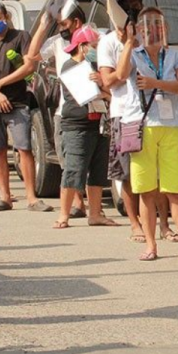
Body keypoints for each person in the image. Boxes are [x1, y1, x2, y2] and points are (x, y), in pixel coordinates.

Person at [117, 7, 178, 261]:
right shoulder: (134, 55)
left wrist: (155, 83)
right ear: (138, 30)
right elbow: (118, 74)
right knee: (146, 189)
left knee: (175, 189)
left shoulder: (174, 55)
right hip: (141, 125)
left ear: (165, 29)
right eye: (146, 26)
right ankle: (150, 245)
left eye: (158, 25)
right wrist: (128, 42)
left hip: (170, 126)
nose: (153, 31)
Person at [98, 0, 174, 244]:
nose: (132, 7)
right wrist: (129, 45)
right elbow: (112, 80)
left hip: (158, 114)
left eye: (136, 2)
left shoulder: (154, 37)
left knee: (160, 174)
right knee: (129, 175)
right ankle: (135, 223)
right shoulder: (108, 42)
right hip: (125, 114)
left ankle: (165, 224)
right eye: (125, 4)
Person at [0, 0, 52, 213]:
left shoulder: (20, 37)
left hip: (17, 101)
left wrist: (0, 83)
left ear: (6, 17)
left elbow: (29, 66)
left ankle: (31, 198)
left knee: (24, 148)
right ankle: (5, 197)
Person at [27, 0, 92, 218]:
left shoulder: (92, 37)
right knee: (67, 158)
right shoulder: (56, 43)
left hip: (93, 108)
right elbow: (32, 56)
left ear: (76, 21)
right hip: (65, 110)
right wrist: (44, 25)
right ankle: (78, 203)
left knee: (94, 158)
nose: (61, 28)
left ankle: (95, 207)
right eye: (58, 24)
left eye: (63, 23)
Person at [53, 26, 119, 229]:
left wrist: (103, 85)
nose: (96, 49)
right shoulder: (70, 67)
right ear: (82, 47)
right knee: (74, 169)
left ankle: (96, 213)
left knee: (98, 170)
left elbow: (111, 93)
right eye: (93, 46)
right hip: (77, 125)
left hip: (99, 122)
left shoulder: (98, 67)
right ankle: (64, 214)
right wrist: (102, 88)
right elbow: (87, 94)